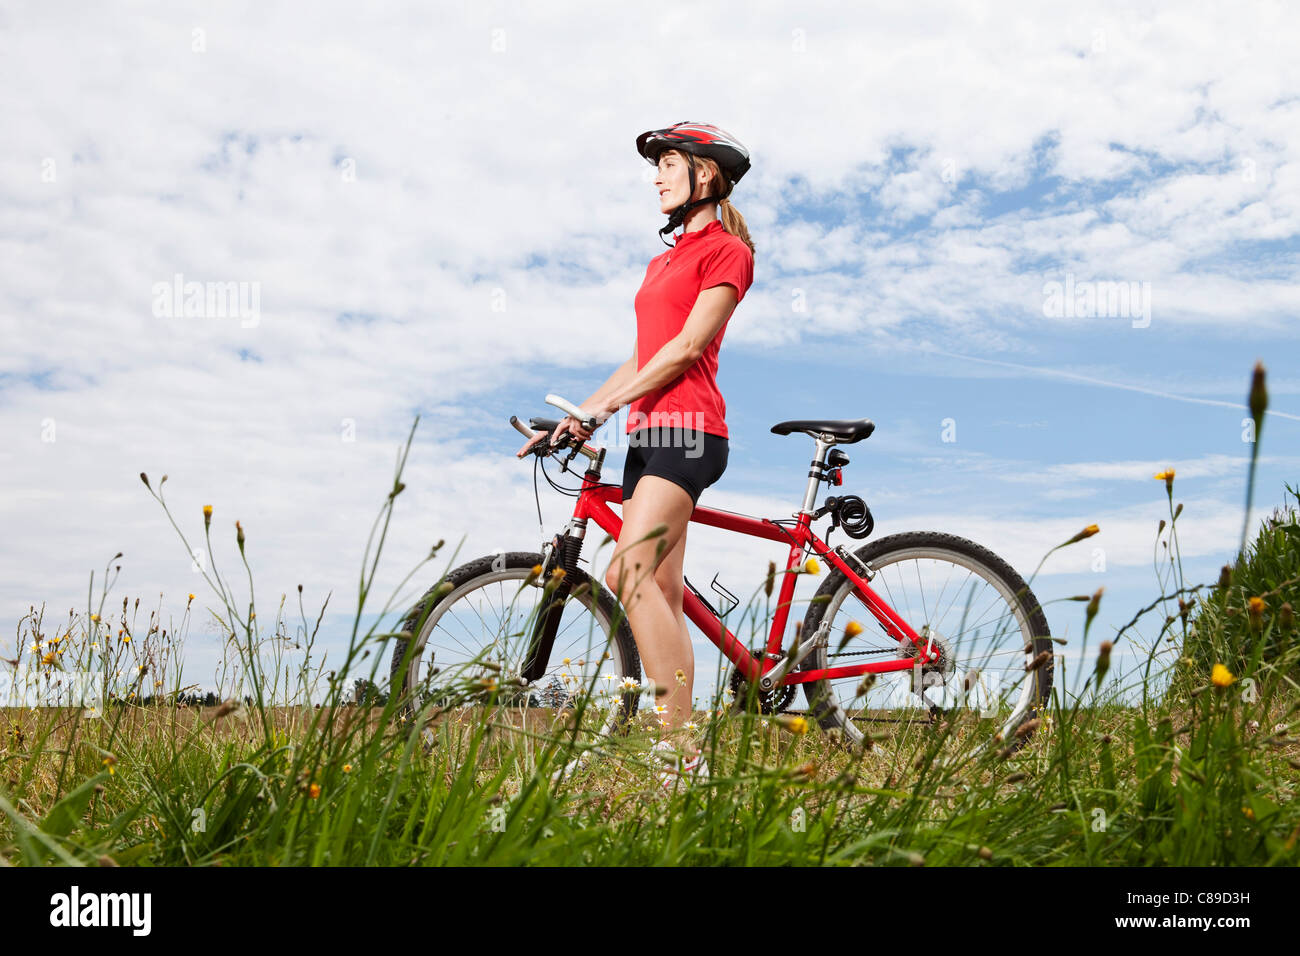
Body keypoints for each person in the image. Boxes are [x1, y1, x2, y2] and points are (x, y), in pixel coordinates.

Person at [517, 121, 755, 776]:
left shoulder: (726, 252)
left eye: (669, 163)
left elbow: (683, 351)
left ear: (705, 174)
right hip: (645, 440)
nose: (657, 176)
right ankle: (683, 749)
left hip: (690, 433)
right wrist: (579, 417)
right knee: (662, 596)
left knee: (627, 573)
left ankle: (679, 753)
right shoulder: (664, 261)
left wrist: (602, 410)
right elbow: (642, 355)